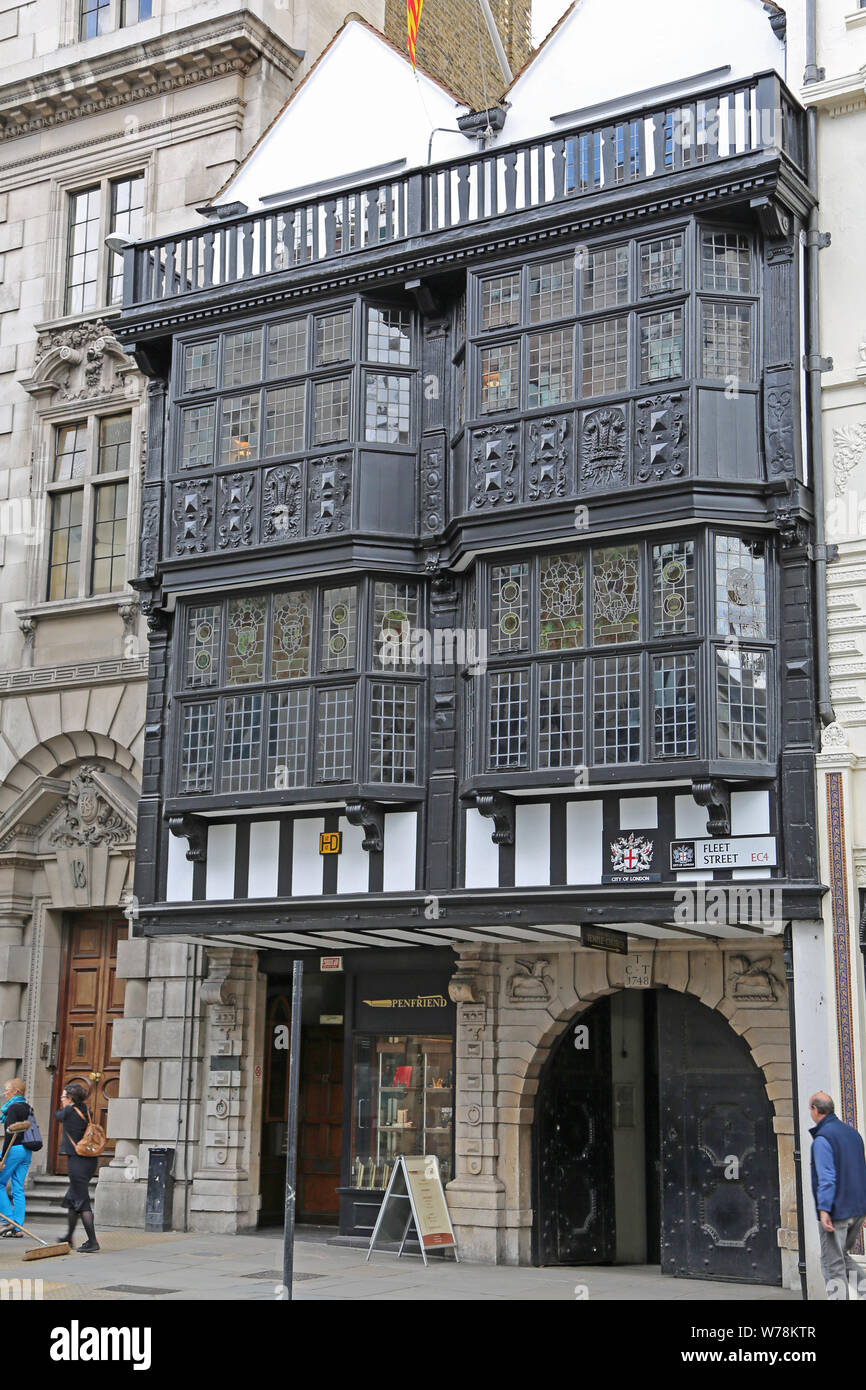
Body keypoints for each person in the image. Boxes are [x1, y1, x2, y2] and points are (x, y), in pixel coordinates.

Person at [809, 1091, 866, 1300]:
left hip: (837, 1211)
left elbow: (827, 1177)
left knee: (832, 1265)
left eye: (811, 1109)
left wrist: (824, 1209)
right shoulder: (853, 1134)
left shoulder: (823, 1139)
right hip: (857, 1209)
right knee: (841, 1256)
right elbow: (862, 1170)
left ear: (815, 1110)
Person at [55, 1082, 100, 1253]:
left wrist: (67, 1105)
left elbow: (56, 1115)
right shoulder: (85, 1110)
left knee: (82, 1202)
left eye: (63, 1096)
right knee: (73, 1200)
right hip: (89, 1161)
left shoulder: (68, 1111)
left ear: (70, 1098)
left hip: (77, 1162)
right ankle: (69, 1236)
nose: (61, 1099)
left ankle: (93, 1241)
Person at [0, 1077, 33, 1236]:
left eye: (7, 1090)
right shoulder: (28, 1107)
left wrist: (2, 1158)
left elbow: (9, 1135)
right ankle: (18, 1228)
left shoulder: (13, 1108)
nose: (4, 1093)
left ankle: (8, 1221)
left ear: (16, 1092)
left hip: (14, 1149)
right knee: (18, 1187)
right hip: (27, 1151)